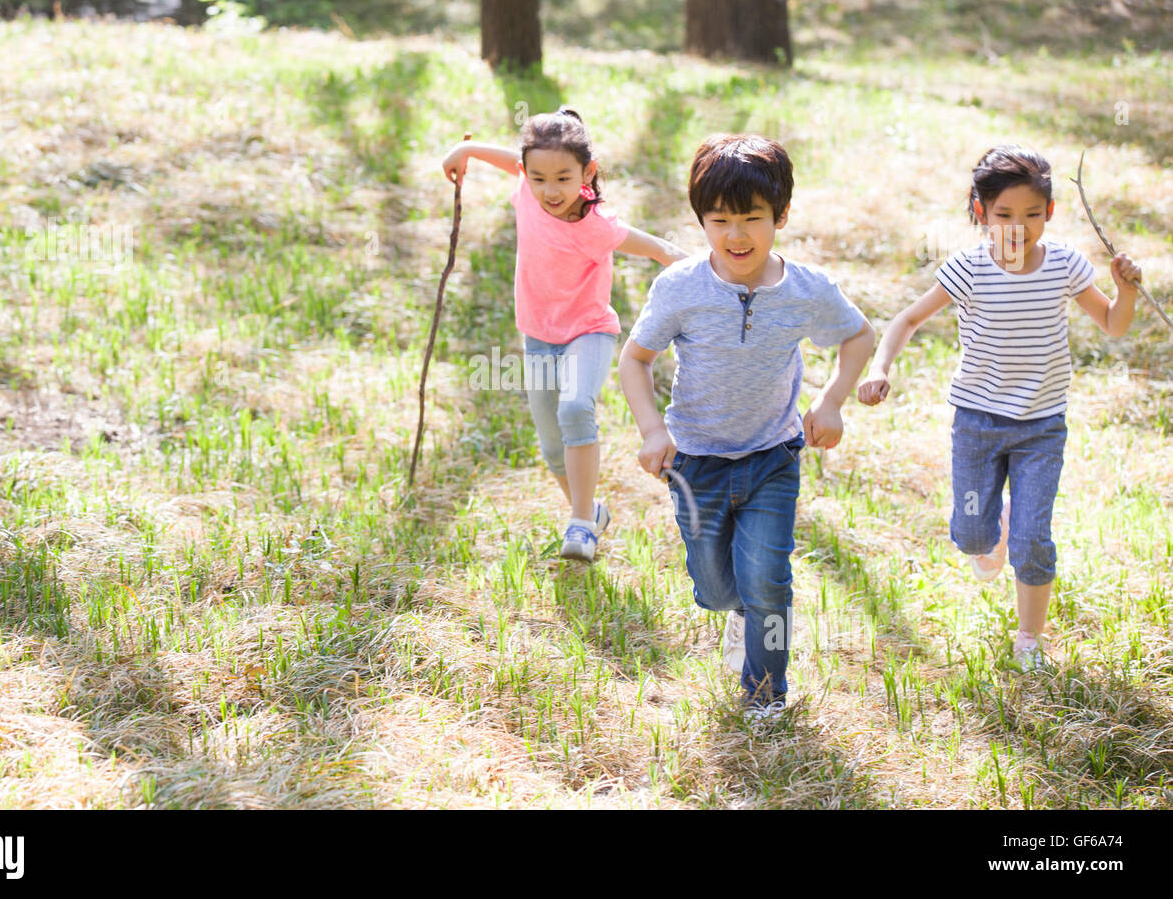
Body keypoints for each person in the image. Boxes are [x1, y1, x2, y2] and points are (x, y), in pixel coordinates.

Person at [857, 144, 1143, 671]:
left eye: (1033, 214)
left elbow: (1114, 324)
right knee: (972, 535)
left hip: (1041, 426)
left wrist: (1124, 290)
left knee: (1033, 539)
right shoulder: (967, 269)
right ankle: (995, 526)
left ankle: (1029, 639)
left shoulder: (1064, 266)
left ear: (1050, 212)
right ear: (980, 210)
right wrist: (880, 368)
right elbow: (905, 321)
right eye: (1005, 214)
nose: (1019, 226)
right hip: (978, 424)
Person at [620, 133, 875, 718]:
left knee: (769, 582)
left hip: (772, 456)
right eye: (720, 220)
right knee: (715, 586)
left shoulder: (808, 290)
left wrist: (832, 400)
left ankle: (765, 693)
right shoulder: (681, 287)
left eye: (752, 219)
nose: (736, 236)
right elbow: (634, 359)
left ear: (780, 216)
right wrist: (653, 431)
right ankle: (738, 613)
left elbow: (859, 336)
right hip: (696, 462)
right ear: (702, 221)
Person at [441, 108, 688, 562]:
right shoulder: (526, 190)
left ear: (586, 173)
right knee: (553, 447)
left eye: (562, 178)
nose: (549, 190)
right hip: (537, 336)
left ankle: (579, 524)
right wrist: (467, 150)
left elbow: (653, 246)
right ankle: (590, 510)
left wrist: (688, 263)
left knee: (575, 407)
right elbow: (512, 163)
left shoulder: (595, 224)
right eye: (538, 178)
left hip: (588, 332)